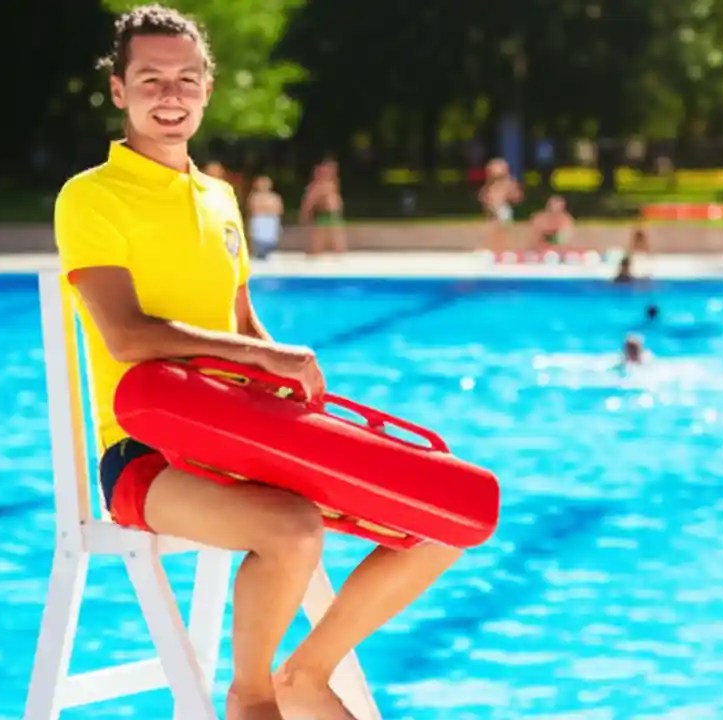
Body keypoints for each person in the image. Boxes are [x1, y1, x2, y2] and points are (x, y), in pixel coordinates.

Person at [54, 8, 461, 719]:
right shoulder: (89, 197)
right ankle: (252, 699)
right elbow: (127, 337)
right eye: (151, 79)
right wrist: (262, 354)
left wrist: (296, 397)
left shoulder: (219, 199)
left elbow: (241, 324)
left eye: (186, 78)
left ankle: (308, 672)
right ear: (119, 91)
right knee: (293, 528)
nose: (170, 94)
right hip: (146, 457)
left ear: (207, 89)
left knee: (436, 512)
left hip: (242, 441)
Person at [299, 159, 347, 256]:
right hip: (323, 214)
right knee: (319, 239)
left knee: (337, 239)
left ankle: (338, 256)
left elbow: (336, 201)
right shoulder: (317, 186)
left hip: (334, 215)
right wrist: (305, 215)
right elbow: (309, 202)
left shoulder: (333, 184)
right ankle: (314, 255)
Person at [477, 157, 521, 254]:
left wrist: (508, 195)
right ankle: (493, 250)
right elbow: (483, 196)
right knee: (493, 228)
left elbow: (516, 196)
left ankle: (502, 250)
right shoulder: (490, 186)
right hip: (494, 210)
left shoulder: (508, 183)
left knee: (501, 229)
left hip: (502, 209)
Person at [245, 174, 283, 260]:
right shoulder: (254, 197)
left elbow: (278, 210)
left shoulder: (274, 197)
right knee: (258, 245)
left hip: (270, 223)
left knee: (270, 244)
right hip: (259, 223)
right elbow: (252, 210)